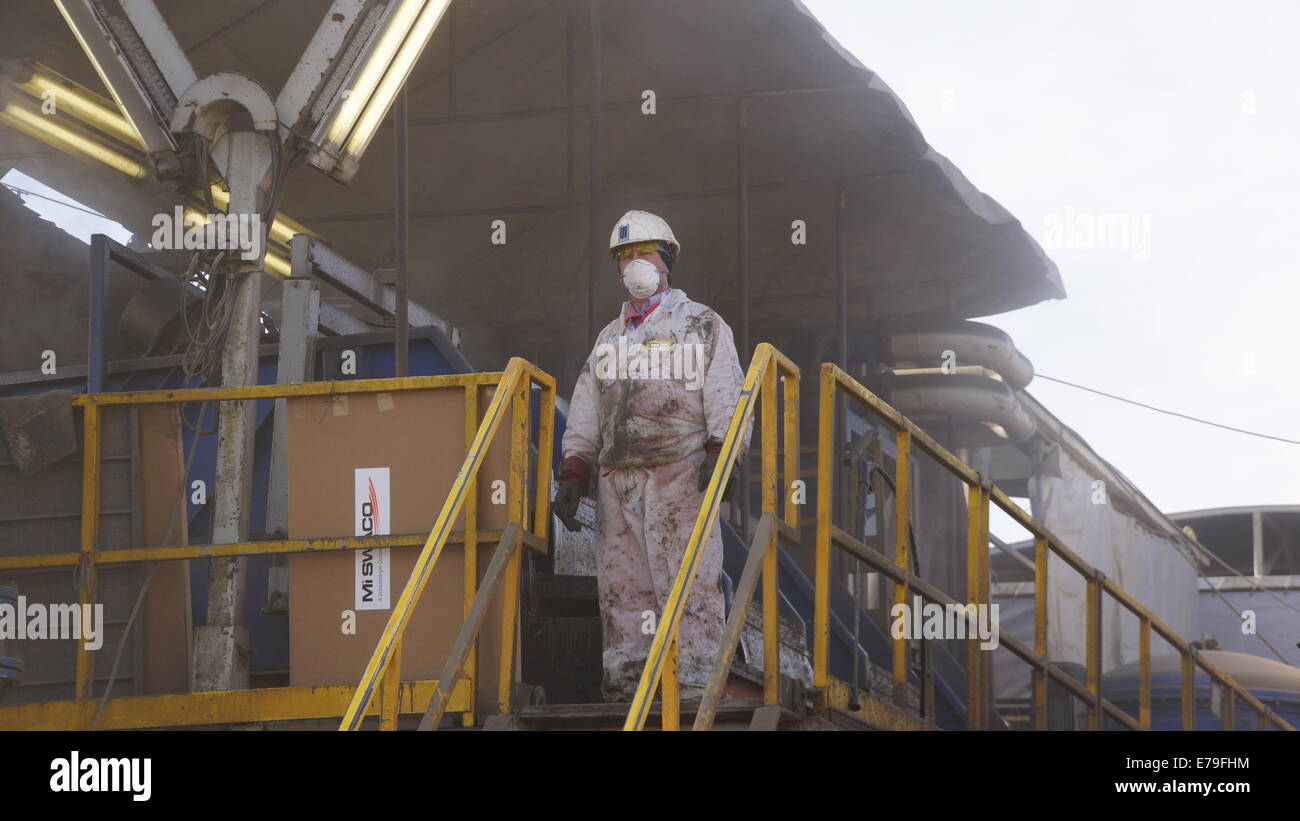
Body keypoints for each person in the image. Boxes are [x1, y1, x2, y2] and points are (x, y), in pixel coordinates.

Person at [554, 210, 748, 702]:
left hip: (680, 472)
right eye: (624, 257)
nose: (633, 264)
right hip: (617, 480)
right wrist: (574, 473)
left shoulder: (700, 323)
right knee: (624, 587)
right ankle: (628, 685)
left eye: (642, 254)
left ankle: (695, 683)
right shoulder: (609, 338)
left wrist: (722, 450)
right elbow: (586, 408)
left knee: (689, 581)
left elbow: (727, 389)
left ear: (665, 262)